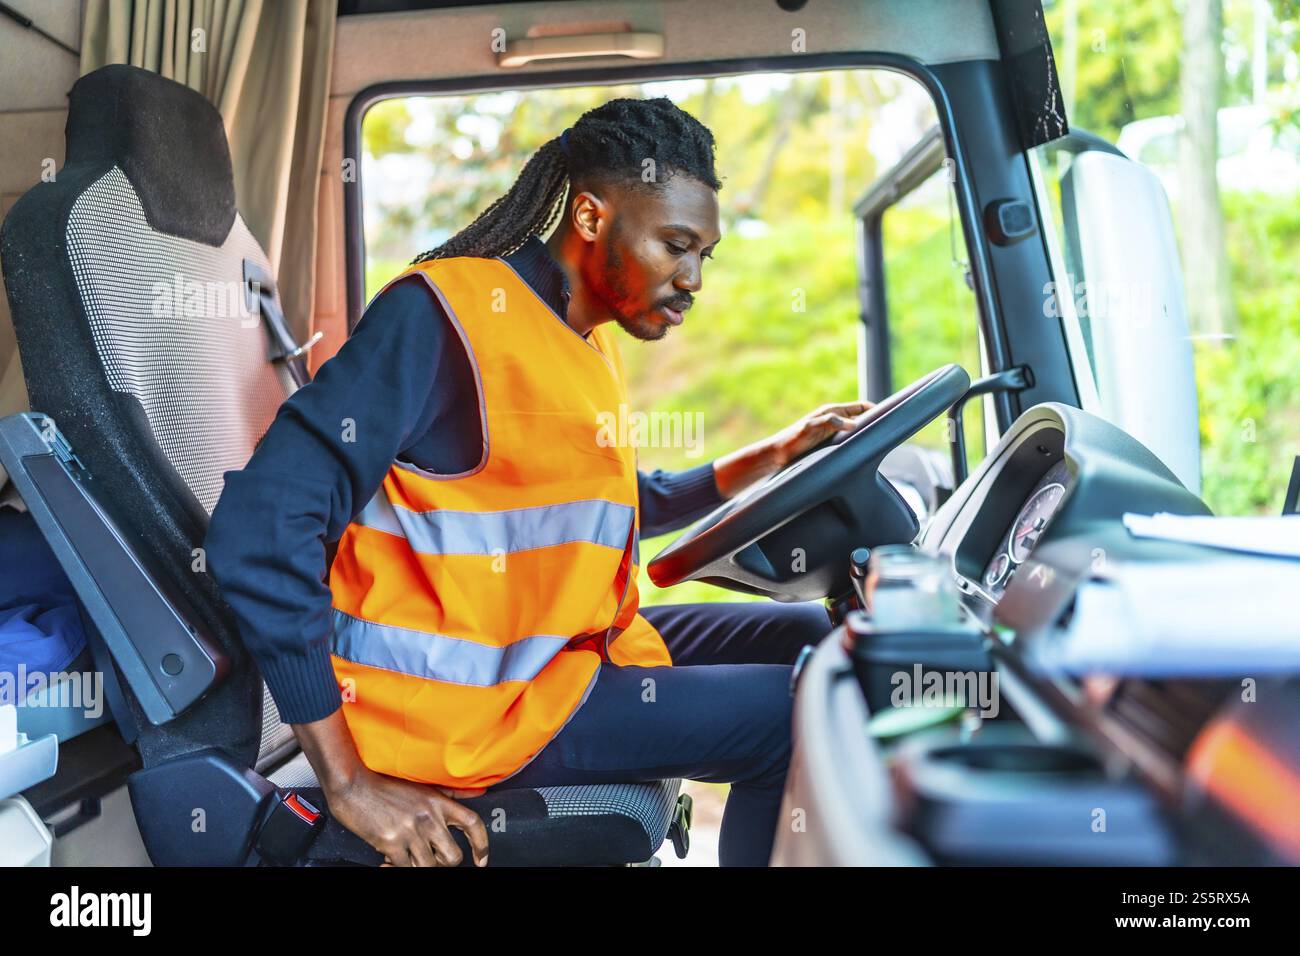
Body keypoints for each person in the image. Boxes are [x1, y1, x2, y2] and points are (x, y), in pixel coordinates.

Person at [204, 96, 871, 867]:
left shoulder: (582, 338)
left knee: (807, 637)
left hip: (553, 658)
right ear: (589, 217)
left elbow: (604, 504)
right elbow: (260, 526)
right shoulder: (443, 320)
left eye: (703, 256)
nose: (693, 279)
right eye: (676, 245)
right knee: (803, 715)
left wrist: (771, 456)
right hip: (456, 713)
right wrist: (347, 781)